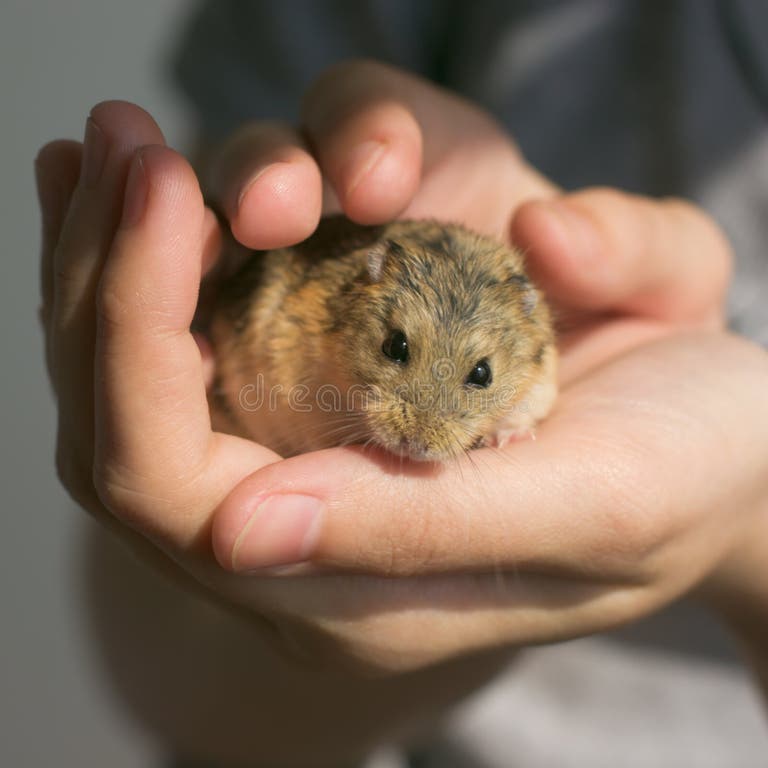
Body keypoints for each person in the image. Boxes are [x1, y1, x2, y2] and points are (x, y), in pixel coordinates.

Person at [35, 1, 768, 765]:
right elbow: (179, 691)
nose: (424, 425)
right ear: (370, 304)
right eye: (396, 353)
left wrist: (750, 526)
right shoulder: (328, 299)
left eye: (478, 377)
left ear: (525, 340)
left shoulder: (534, 332)